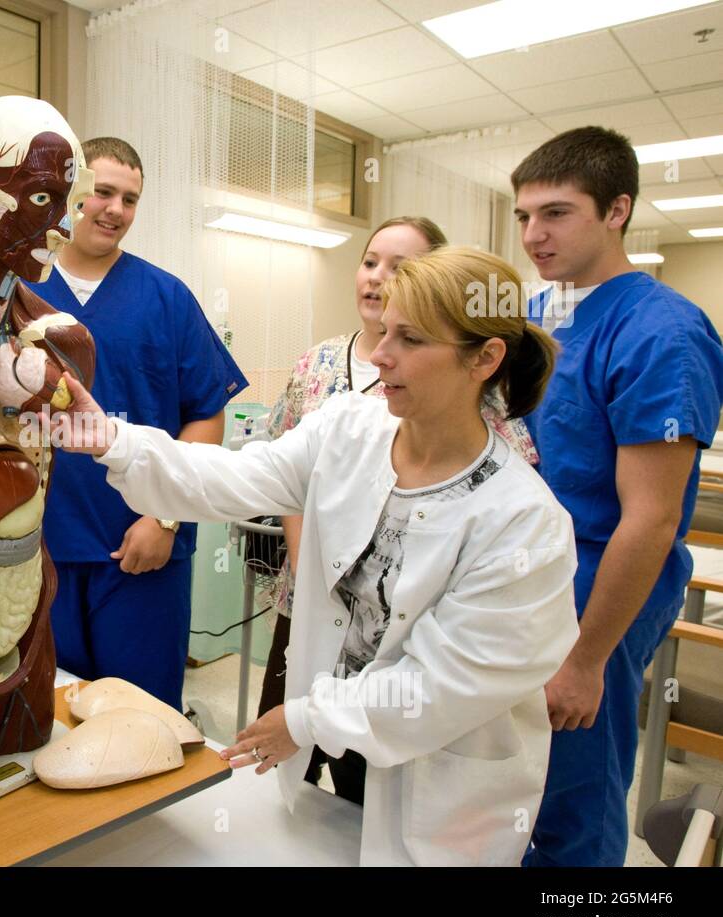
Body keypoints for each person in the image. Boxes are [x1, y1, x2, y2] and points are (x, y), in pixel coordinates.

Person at [46, 246, 580, 866]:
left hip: (433, 783)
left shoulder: (524, 523)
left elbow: (440, 687)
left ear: (484, 359)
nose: (379, 355)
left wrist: (303, 722)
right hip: (329, 751)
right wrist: (111, 439)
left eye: (409, 339)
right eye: (385, 331)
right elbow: (231, 479)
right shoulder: (350, 430)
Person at [257, 216, 538, 806]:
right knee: (281, 779)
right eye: (370, 261)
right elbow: (279, 470)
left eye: (400, 267)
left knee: (370, 784)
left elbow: (490, 500)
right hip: (307, 600)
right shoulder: (319, 367)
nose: (378, 277)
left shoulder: (487, 423)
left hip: (396, 626)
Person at [510, 126, 723, 867]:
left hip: (598, 589)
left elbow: (654, 518)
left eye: (557, 213)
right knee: (518, 781)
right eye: (525, 216)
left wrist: (585, 660)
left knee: (577, 790)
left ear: (617, 210)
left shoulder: (661, 332)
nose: (535, 235)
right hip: (528, 576)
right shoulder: (542, 314)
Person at [24, 136, 247, 711]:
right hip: (35, 552)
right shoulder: (20, 295)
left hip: (141, 552)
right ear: (72, 192)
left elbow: (206, 413)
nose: (115, 210)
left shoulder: (166, 298)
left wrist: (166, 517)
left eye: (130, 199)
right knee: (49, 716)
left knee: (141, 720)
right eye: (101, 192)